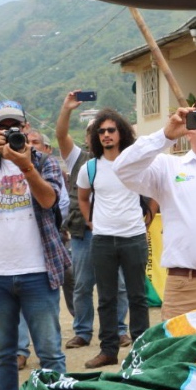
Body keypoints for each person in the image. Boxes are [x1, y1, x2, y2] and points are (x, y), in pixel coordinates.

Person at [114, 95, 196, 319]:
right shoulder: (168, 167)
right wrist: (165, 135)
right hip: (187, 287)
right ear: (189, 130)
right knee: (182, 352)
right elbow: (123, 169)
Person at [0, 100, 69, 390]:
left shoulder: (44, 162)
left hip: (38, 271)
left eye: (13, 127)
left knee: (50, 352)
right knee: (3, 353)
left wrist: (25, 165)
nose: (8, 133)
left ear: (26, 129)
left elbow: (49, 201)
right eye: (0, 128)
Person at [76, 109, 152, 369]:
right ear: (97, 137)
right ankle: (108, 350)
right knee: (106, 298)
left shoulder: (133, 163)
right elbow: (83, 198)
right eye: (101, 131)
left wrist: (149, 213)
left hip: (133, 237)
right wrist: (91, 221)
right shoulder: (91, 167)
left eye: (111, 130)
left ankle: (140, 349)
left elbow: (152, 190)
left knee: (138, 296)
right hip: (103, 240)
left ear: (121, 133)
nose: (106, 135)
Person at [56, 91, 129, 350]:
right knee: (82, 285)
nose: (101, 136)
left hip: (114, 232)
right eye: (95, 132)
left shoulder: (123, 161)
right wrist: (67, 110)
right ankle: (83, 331)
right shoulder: (78, 158)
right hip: (83, 233)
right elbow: (61, 135)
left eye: (107, 131)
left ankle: (120, 330)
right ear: (88, 138)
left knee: (118, 285)